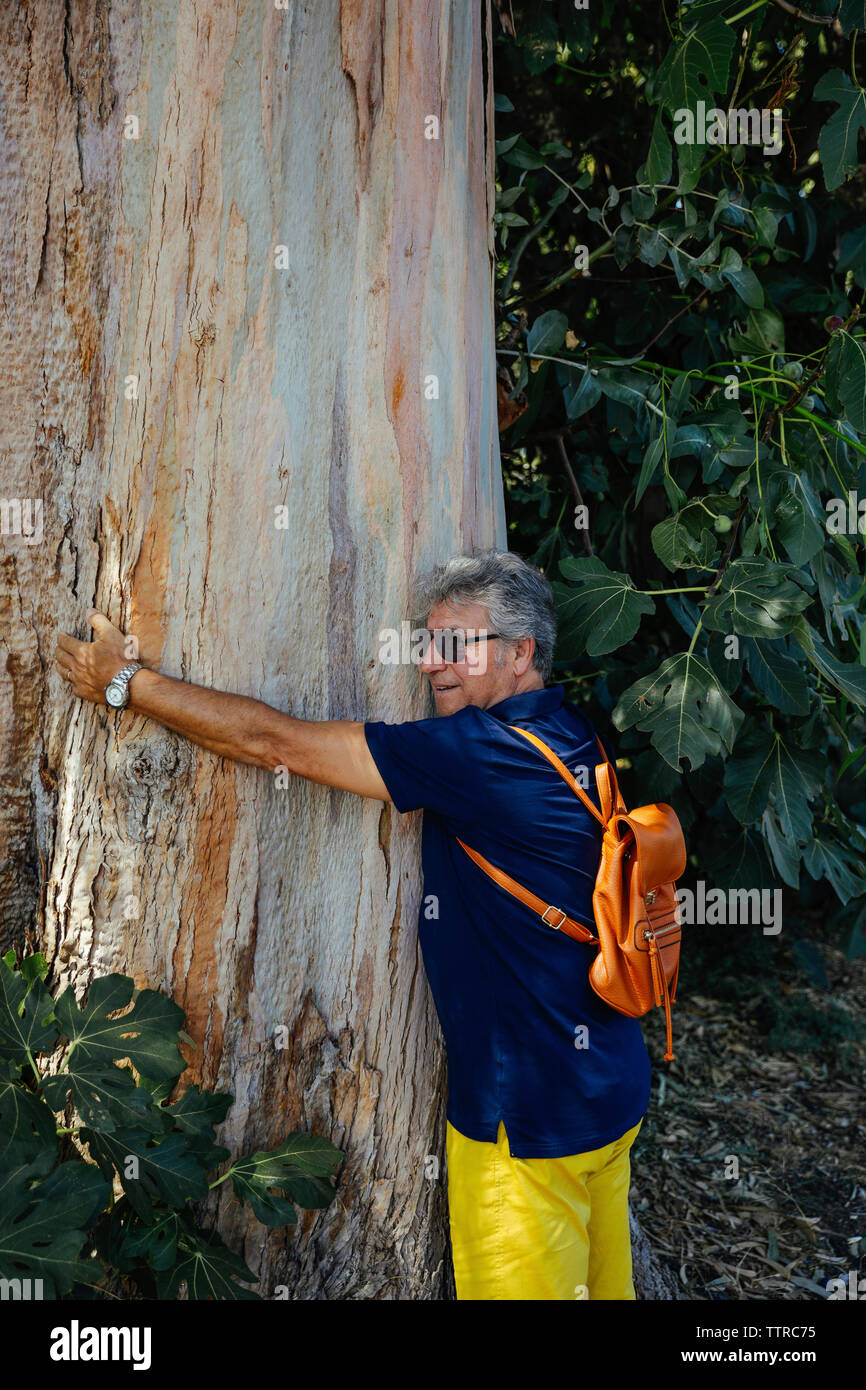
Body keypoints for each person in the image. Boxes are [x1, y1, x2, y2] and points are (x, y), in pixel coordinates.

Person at [54, 548, 651, 1300]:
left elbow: (276, 745)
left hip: (526, 1127)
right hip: (609, 1092)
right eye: (428, 644)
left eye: (458, 646)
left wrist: (126, 682)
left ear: (522, 653)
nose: (433, 665)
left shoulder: (480, 754)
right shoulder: (575, 734)